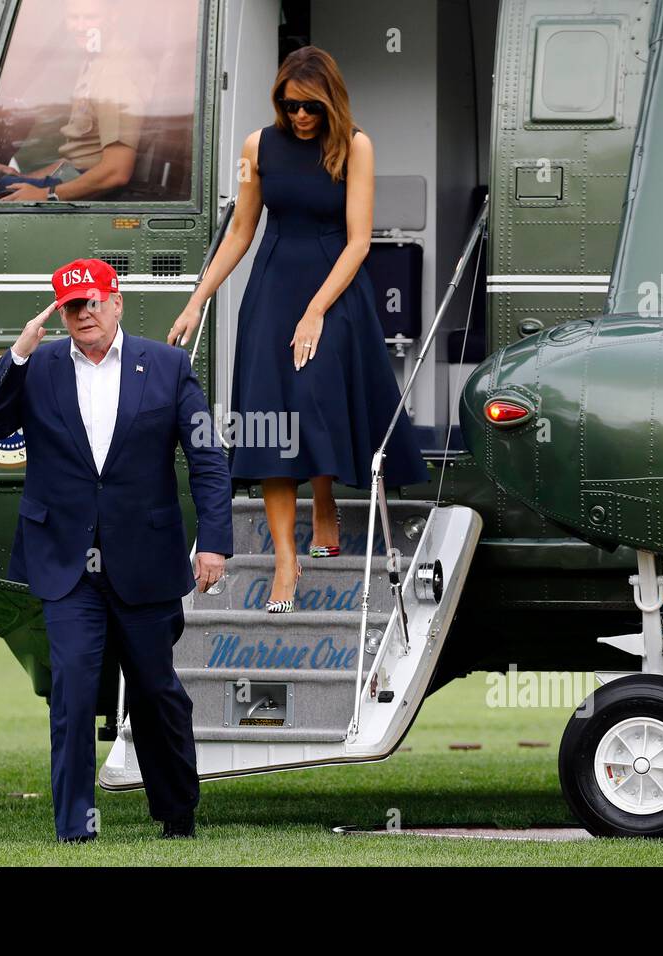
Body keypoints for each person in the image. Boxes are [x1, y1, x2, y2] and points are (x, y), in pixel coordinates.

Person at [0, 257, 232, 842]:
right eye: (71, 305)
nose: (83, 312)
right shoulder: (35, 369)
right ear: (59, 313)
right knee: (73, 688)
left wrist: (213, 541)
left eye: (92, 301)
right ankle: (74, 828)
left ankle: (176, 816)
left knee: (156, 690)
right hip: (66, 564)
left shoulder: (167, 366)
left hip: (146, 560)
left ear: (116, 302)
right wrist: (15, 355)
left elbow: (208, 457)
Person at [167, 45, 429, 613]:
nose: (300, 116)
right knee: (269, 417)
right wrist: (198, 299)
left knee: (313, 397)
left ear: (328, 100)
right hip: (272, 286)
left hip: (336, 287)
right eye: (289, 106)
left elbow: (360, 239)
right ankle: (287, 560)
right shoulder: (256, 146)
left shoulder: (356, 145)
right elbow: (240, 230)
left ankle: (325, 495)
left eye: (310, 106)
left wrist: (316, 311)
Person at [0, 0, 146, 202]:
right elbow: (77, 157)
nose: (81, 26)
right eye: (74, 17)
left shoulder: (114, 74)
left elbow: (116, 171)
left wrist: (44, 196)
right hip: (74, 175)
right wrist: (25, 179)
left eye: (91, 17)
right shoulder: (94, 61)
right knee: (3, 183)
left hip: (94, 192)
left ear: (113, 16)